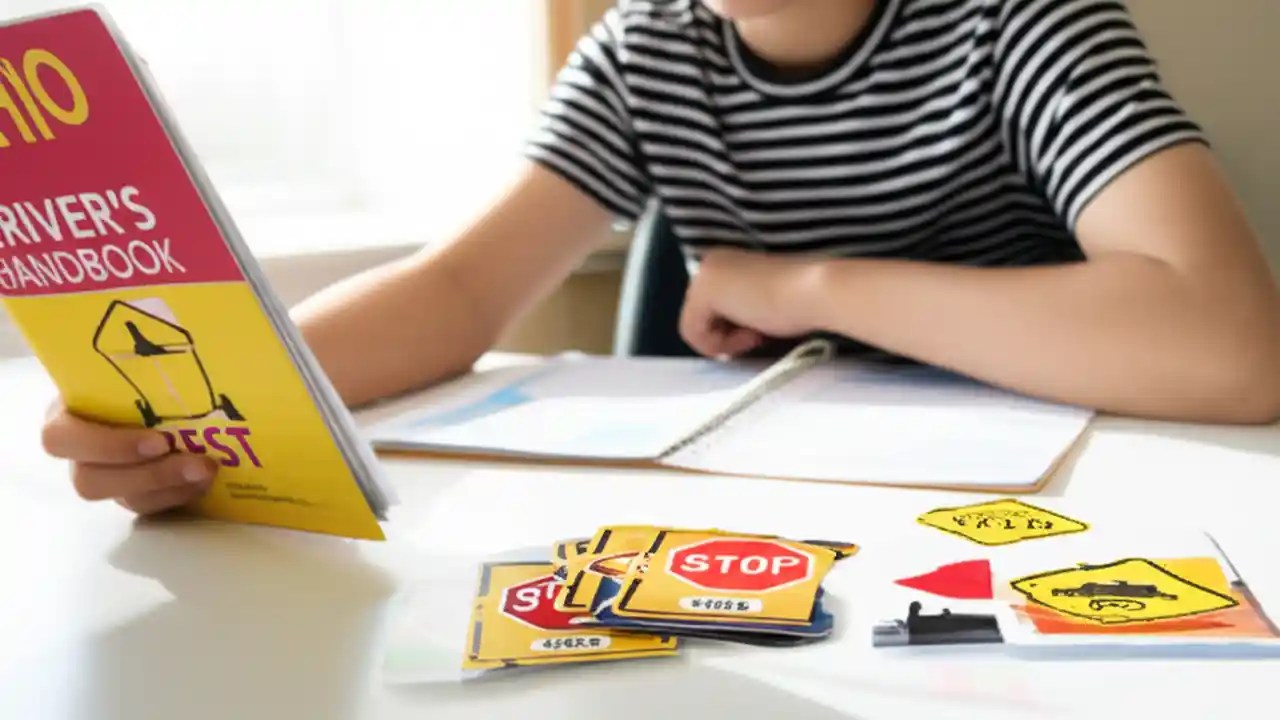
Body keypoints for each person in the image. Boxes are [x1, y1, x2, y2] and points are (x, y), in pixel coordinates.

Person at [41, 0, 1280, 516]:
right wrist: (226, 403)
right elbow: (462, 287)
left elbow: (1226, 346)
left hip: (1037, 508)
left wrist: (800, 284)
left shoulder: (1023, 26)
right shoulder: (648, 48)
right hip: (757, 514)